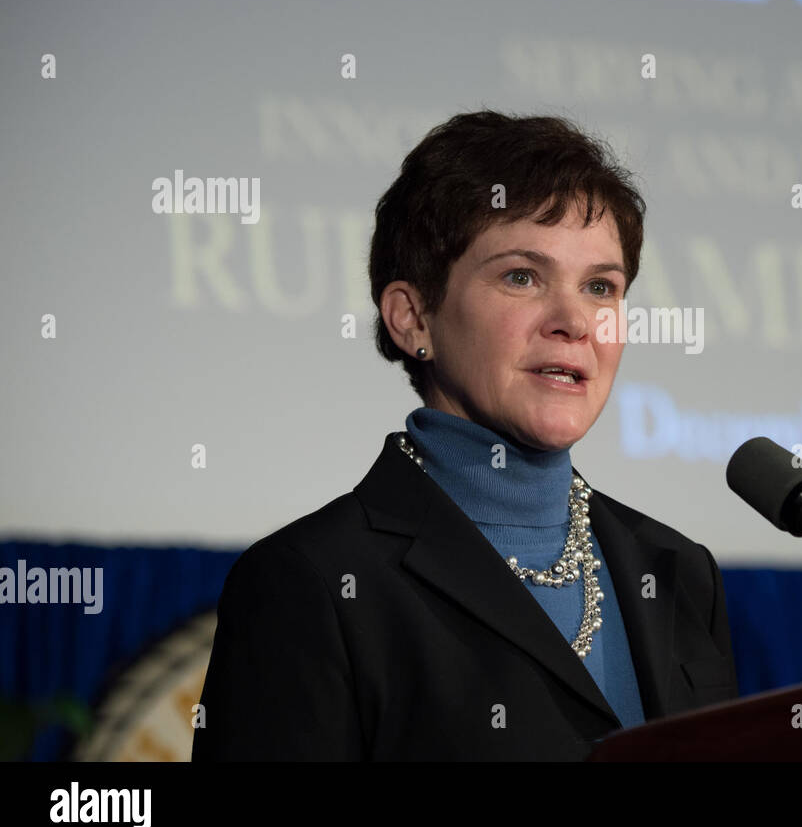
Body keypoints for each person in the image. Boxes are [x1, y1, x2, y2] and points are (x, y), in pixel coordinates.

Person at [191, 109, 738, 760]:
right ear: (412, 316)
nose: (574, 320)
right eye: (521, 276)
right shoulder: (311, 584)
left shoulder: (678, 573)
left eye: (601, 286)